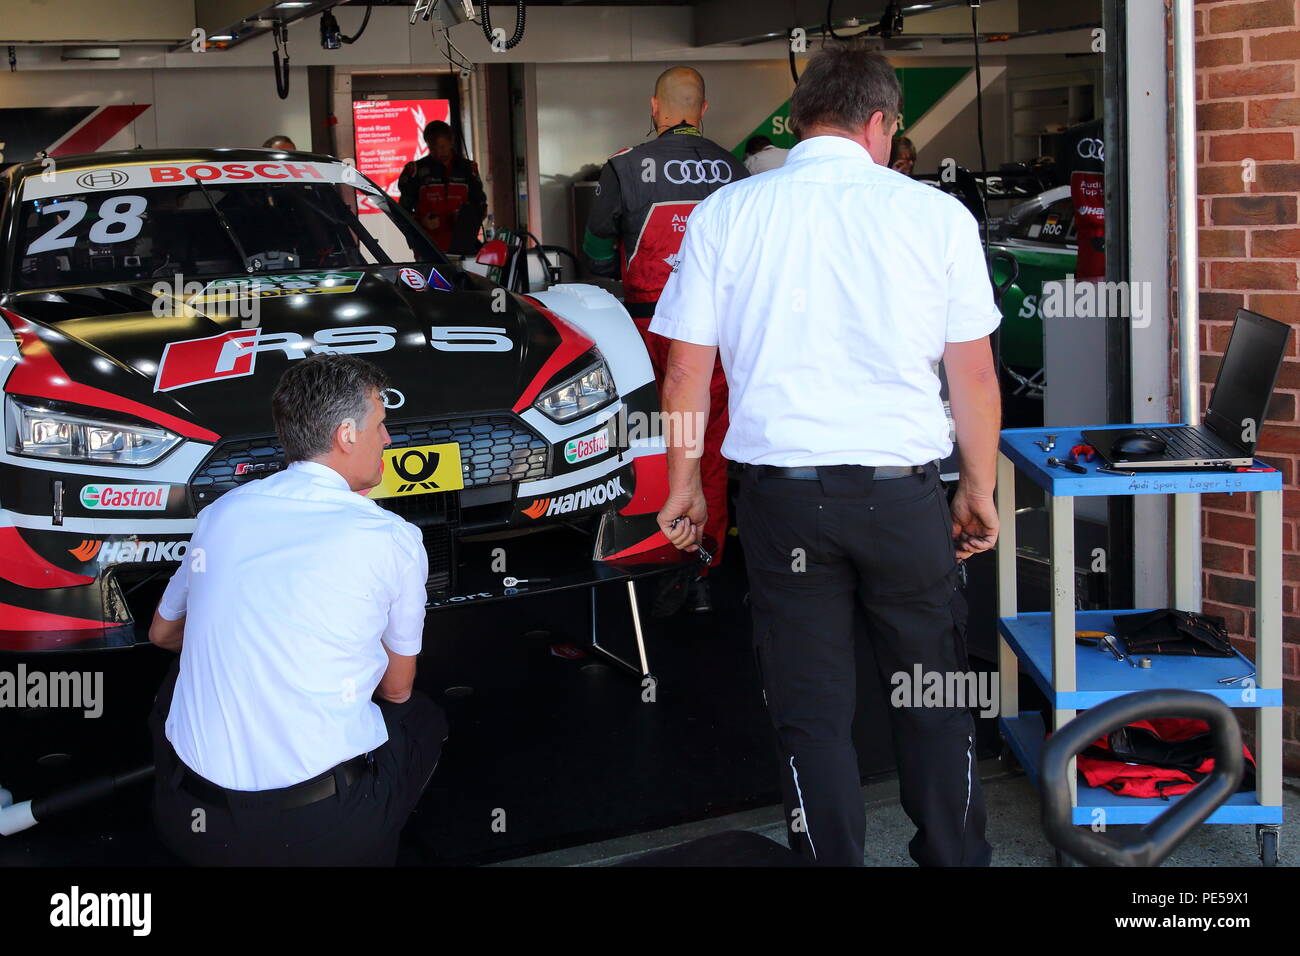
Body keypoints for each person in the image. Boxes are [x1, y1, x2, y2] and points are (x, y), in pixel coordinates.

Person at [651, 45, 1001, 866]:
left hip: (782, 502)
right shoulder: (936, 216)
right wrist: (976, 488)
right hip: (902, 498)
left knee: (810, 710)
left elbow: (684, 376)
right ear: (879, 124)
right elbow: (975, 374)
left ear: (802, 118)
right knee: (936, 698)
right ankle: (955, 858)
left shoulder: (727, 213)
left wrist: (683, 487)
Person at [149, 354, 446, 866]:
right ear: (347, 434)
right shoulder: (393, 537)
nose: (389, 439)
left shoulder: (223, 512)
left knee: (177, 678)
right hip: (324, 835)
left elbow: (161, 633)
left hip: (191, 822)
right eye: (381, 424)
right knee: (422, 718)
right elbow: (395, 688)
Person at [582, 65, 748, 615]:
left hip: (647, 336)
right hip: (719, 340)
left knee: (648, 444)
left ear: (656, 108)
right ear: (703, 111)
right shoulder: (736, 169)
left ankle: (649, 559)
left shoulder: (624, 166)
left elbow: (597, 252)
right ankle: (705, 565)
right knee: (710, 452)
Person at [398, 119, 487, 255]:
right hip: (428, 248)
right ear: (427, 144)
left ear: (451, 142)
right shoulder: (415, 171)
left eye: (442, 147)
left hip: (463, 247)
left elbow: (480, 206)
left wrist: (465, 220)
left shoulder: (468, 169)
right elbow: (402, 212)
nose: (439, 153)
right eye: (433, 149)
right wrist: (421, 222)